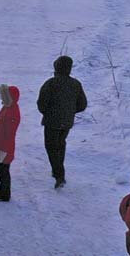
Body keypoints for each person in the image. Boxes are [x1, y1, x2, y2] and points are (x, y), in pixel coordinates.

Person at [36, 55, 87, 188]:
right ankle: (57, 171)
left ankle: (59, 174)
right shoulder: (76, 84)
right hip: (67, 122)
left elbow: (41, 103)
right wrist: (70, 112)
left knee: (51, 147)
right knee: (60, 144)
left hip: (51, 121)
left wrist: (47, 112)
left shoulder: (51, 83)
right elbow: (82, 104)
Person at [0, 84, 20, 202]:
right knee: (1, 169)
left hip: (5, 147)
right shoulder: (8, 108)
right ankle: (2, 190)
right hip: (1, 144)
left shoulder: (12, 112)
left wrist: (4, 150)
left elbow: (9, 134)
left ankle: (5, 193)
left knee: (3, 170)